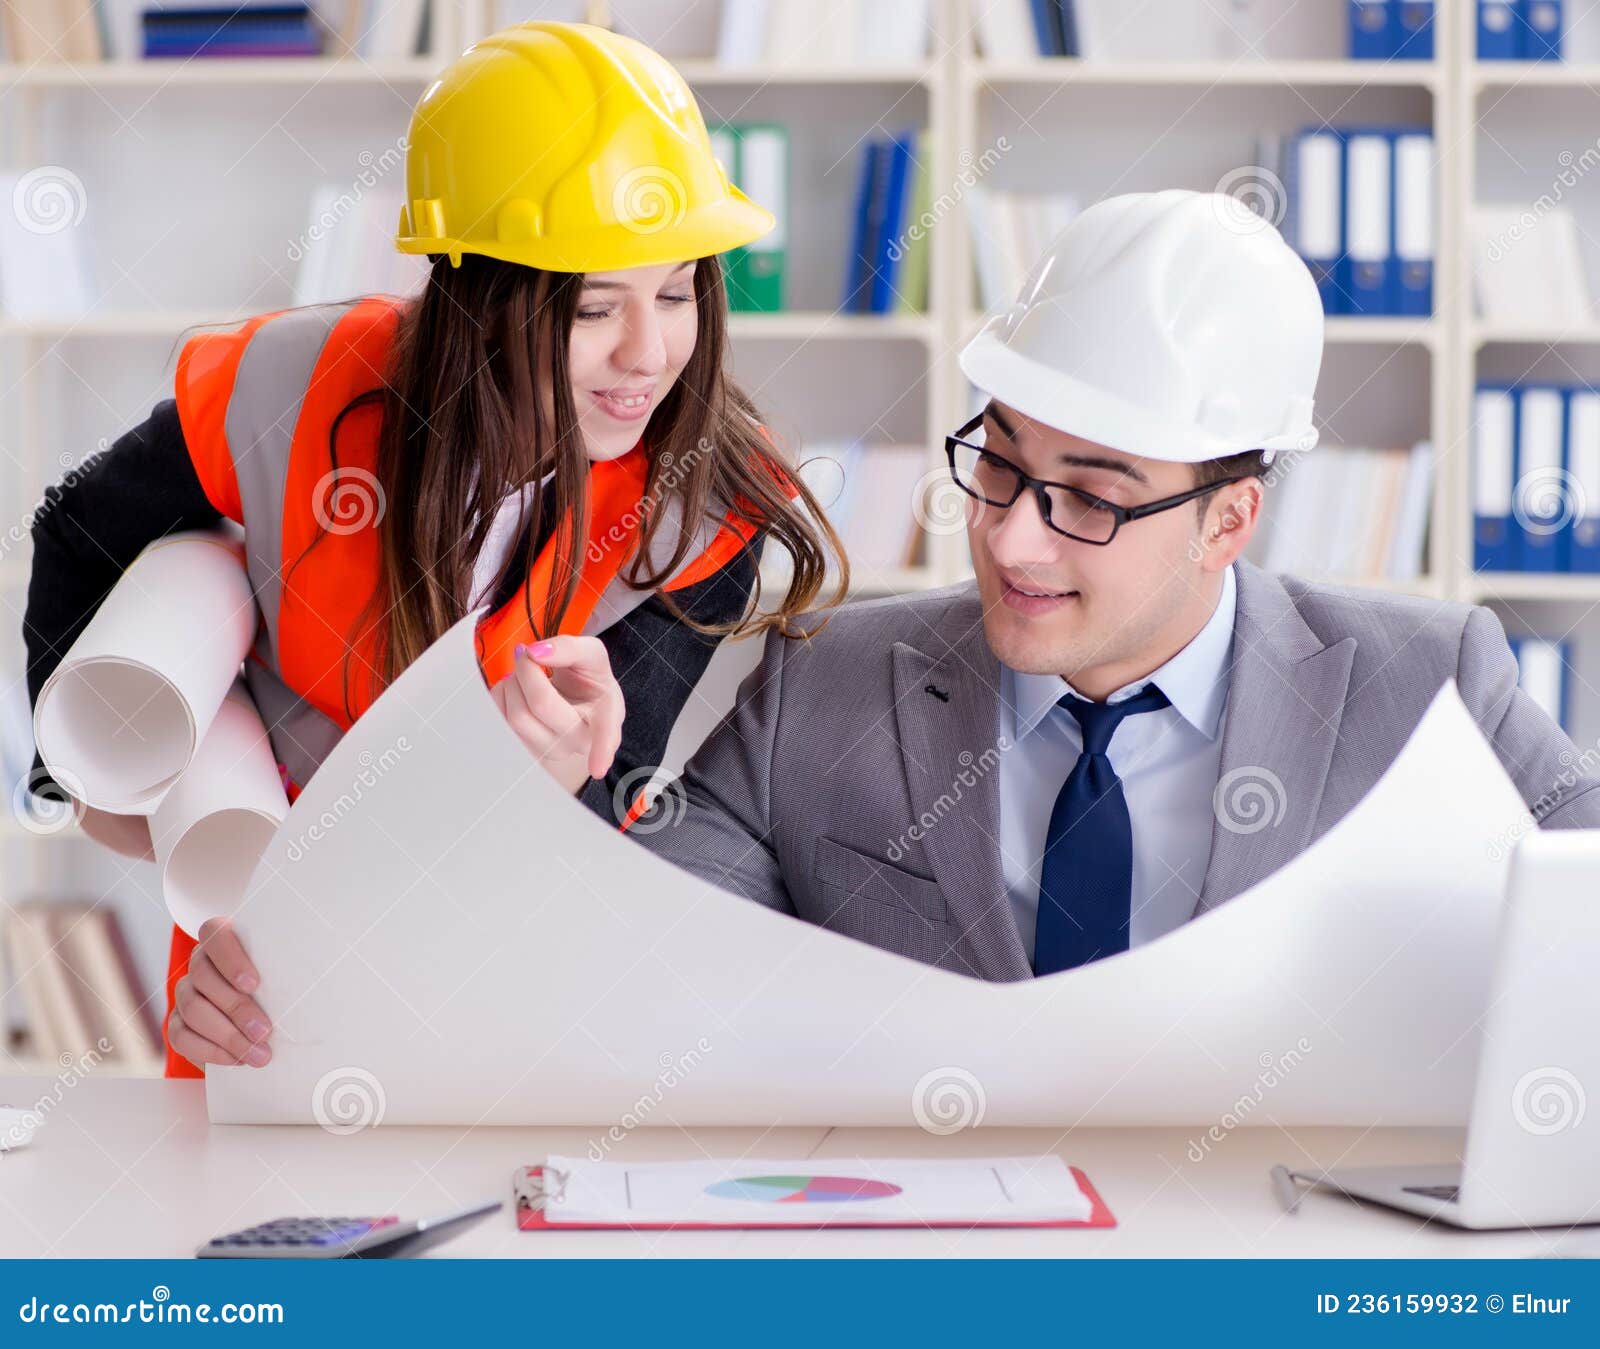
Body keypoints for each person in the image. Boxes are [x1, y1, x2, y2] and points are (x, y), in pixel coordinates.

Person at [21, 22, 844, 1074]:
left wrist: (545, 792)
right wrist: (104, 796)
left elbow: (609, 824)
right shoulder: (290, 388)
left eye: (678, 293)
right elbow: (74, 530)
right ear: (478, 296)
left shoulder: (701, 508)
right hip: (252, 967)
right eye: (595, 305)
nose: (650, 355)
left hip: (502, 1001)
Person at [618, 188, 1600, 979]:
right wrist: (552, 780)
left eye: (1090, 500)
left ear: (1227, 519)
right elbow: (647, 954)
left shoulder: (1428, 685)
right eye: (997, 463)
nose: (1011, 540)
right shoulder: (821, 684)